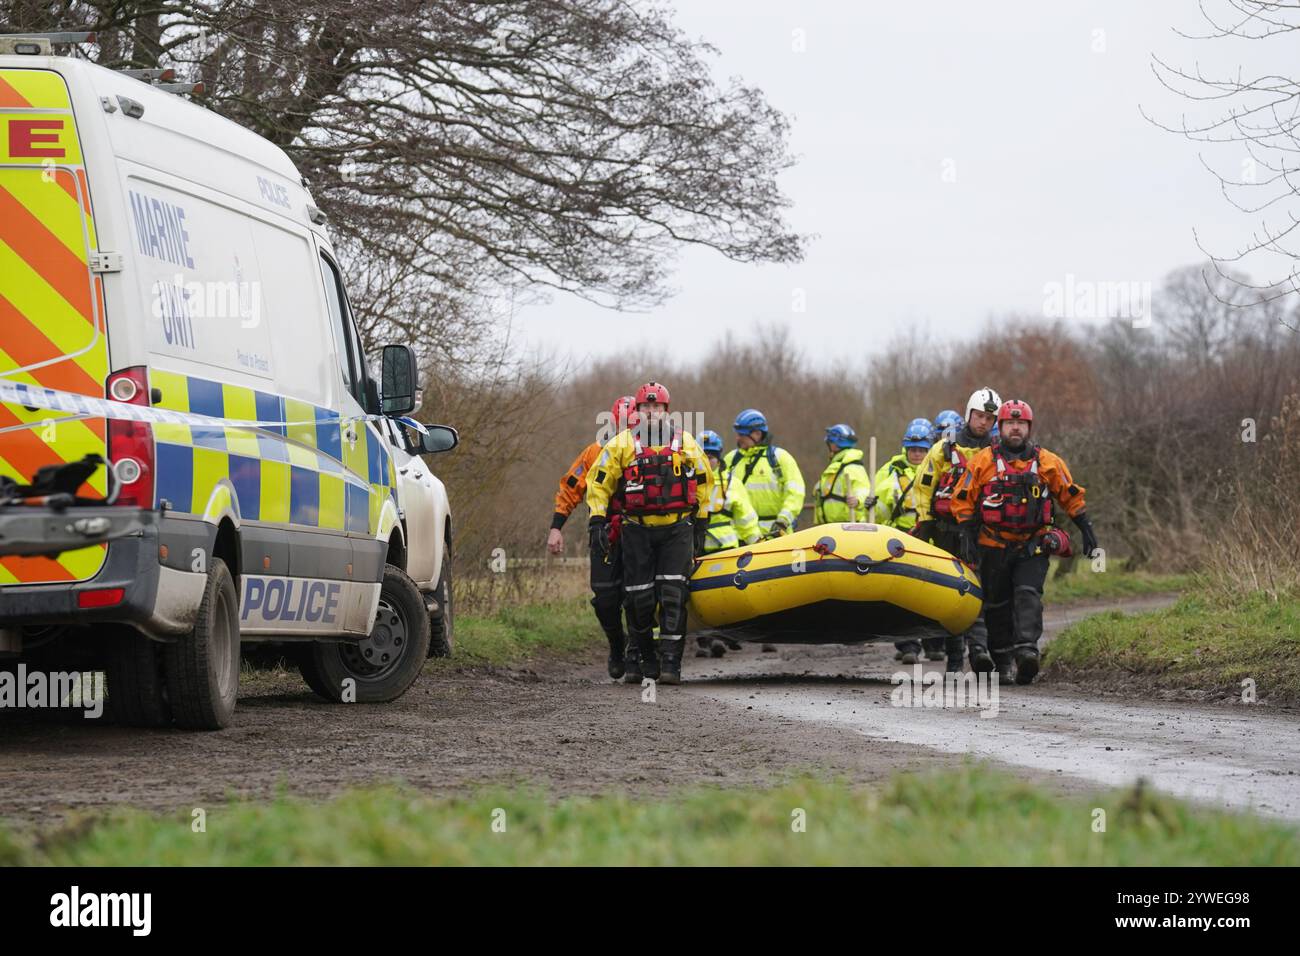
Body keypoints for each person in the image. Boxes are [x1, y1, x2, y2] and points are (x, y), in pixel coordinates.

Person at [951, 400, 1098, 684]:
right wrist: (966, 537)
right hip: (991, 545)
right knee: (995, 604)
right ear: (1000, 427)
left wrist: (1088, 531)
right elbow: (963, 499)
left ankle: (1027, 653)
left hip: (1032, 545)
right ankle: (1002, 661)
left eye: (1021, 424)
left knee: (1028, 595)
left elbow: (1070, 495)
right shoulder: (983, 460)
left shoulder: (1047, 462)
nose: (1015, 428)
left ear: (1029, 428)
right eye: (1009, 423)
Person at [587, 382, 714, 685]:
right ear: (639, 411)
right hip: (636, 532)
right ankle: (647, 657)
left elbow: (705, 481)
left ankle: (671, 663)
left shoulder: (685, 442)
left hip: (676, 530)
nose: (652, 413)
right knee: (639, 600)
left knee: (673, 596)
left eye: (657, 408)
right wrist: (596, 520)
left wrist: (700, 525)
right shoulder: (620, 444)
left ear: (666, 411)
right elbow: (599, 482)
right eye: (646, 408)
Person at [912, 386, 1002, 673]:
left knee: (979, 590)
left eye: (989, 419)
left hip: (981, 531)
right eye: (979, 416)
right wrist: (924, 522)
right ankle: (953, 657)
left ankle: (977, 650)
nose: (983, 423)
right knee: (952, 592)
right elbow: (924, 487)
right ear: (969, 414)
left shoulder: (996, 451)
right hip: (945, 530)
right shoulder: (944, 447)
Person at [548, 395, 637, 680]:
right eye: (621, 422)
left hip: (641, 531)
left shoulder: (651, 451)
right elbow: (571, 487)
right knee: (605, 597)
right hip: (604, 531)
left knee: (641, 596)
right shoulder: (594, 452)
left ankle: (639, 653)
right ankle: (616, 645)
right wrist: (556, 527)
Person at [872, 418, 936, 665]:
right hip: (900, 539)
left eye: (921, 449)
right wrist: (871, 503)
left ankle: (934, 642)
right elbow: (880, 510)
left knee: (927, 594)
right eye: (913, 449)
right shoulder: (890, 471)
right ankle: (909, 645)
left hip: (929, 539)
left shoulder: (937, 469)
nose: (917, 454)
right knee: (902, 595)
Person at [694, 428, 760, 657]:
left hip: (725, 549)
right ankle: (704, 638)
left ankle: (722, 634)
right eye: (704, 456)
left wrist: (756, 544)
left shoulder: (731, 482)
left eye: (711, 457)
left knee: (723, 596)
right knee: (697, 597)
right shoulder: (687, 480)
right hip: (697, 548)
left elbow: (746, 518)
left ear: (719, 457)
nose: (708, 461)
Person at [726, 408, 806, 539]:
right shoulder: (730, 460)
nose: (738, 438)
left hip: (777, 534)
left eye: (742, 435)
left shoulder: (780, 458)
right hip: (740, 537)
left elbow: (795, 493)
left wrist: (783, 520)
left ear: (757, 434)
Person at [812, 424, 872, 524]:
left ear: (835, 444)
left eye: (830, 442)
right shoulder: (836, 467)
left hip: (848, 528)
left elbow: (863, 489)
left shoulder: (852, 466)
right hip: (831, 528)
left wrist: (857, 500)